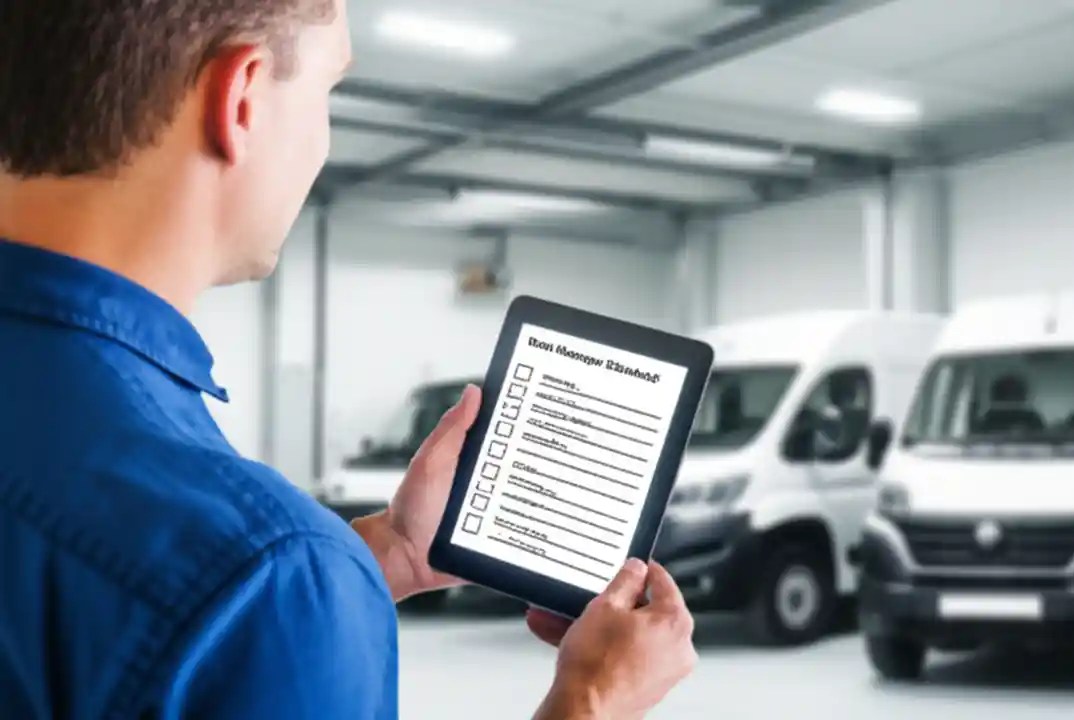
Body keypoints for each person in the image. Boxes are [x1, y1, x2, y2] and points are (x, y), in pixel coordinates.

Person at [0, 0, 696, 717]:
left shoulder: (256, 572)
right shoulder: (261, 566)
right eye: (329, 90)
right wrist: (591, 699)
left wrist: (388, 552)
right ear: (241, 97)